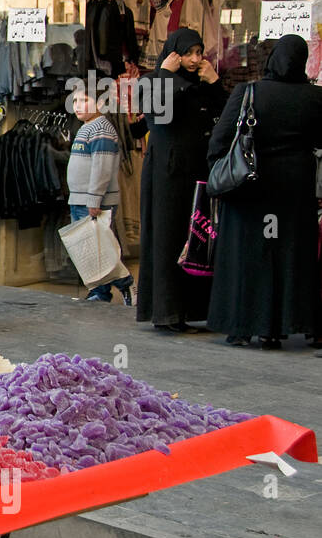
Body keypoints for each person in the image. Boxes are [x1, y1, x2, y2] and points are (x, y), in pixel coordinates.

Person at [207, 34, 322, 349]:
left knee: (247, 256)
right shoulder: (316, 98)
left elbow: (220, 139)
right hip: (295, 188)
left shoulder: (250, 92)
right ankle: (280, 326)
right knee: (289, 255)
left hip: (250, 186)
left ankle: (242, 326)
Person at [135, 27, 226, 331]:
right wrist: (164, 74)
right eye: (188, 53)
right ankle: (167, 312)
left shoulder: (200, 85)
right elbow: (156, 114)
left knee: (197, 238)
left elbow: (224, 117)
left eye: (199, 52)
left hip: (197, 174)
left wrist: (214, 83)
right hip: (167, 174)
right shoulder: (153, 81)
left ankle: (193, 309)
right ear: (174, 53)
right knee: (168, 237)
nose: (195, 59)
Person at [67, 85, 134, 304]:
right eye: (75, 101)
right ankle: (100, 291)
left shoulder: (101, 128)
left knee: (99, 248)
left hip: (92, 201)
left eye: (84, 101)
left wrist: (94, 199)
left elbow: (102, 168)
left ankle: (125, 283)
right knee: (89, 249)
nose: (78, 106)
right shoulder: (87, 127)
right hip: (81, 198)